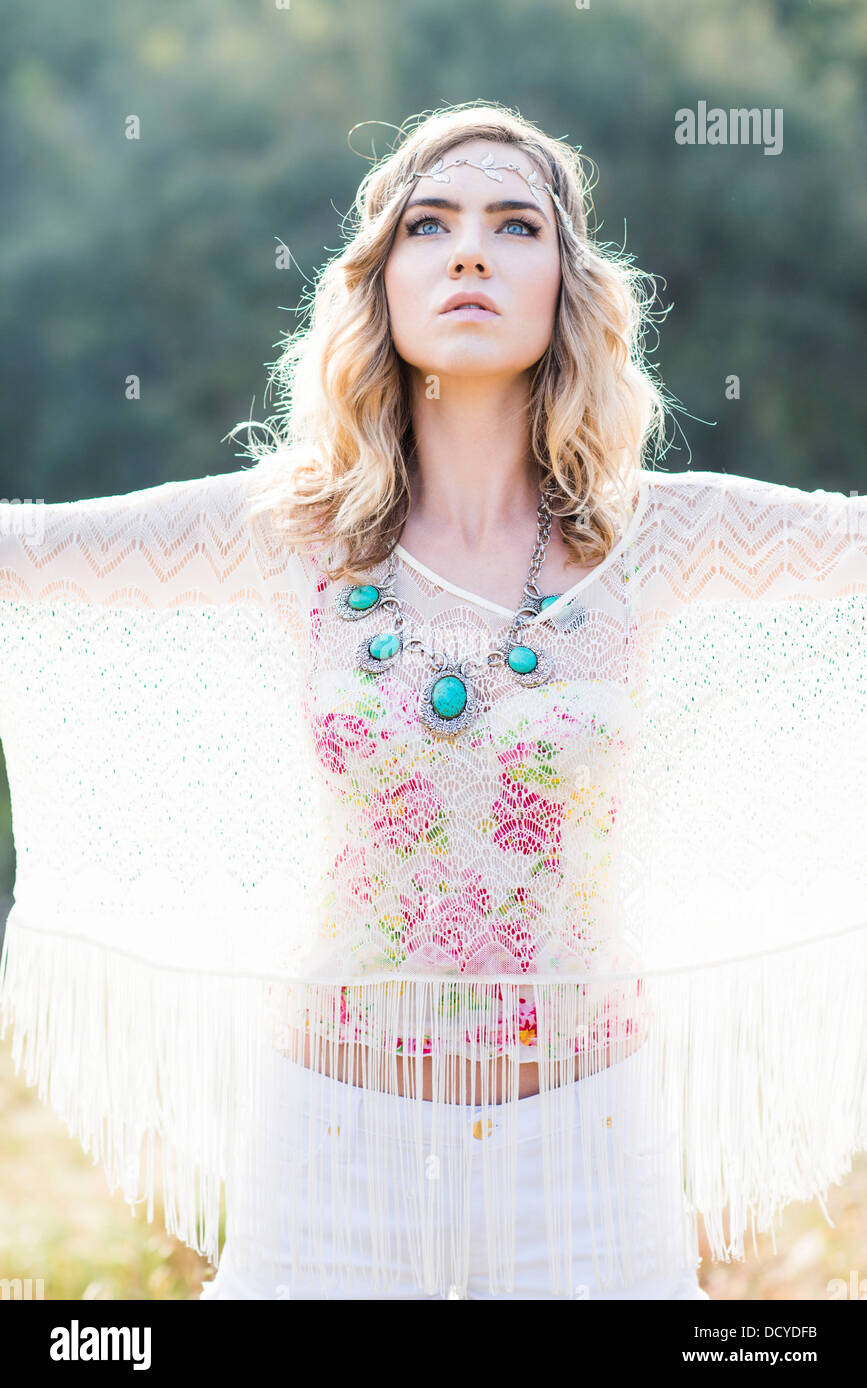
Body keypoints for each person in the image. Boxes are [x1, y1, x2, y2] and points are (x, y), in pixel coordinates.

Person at [1, 101, 865, 1302]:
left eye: (515, 224)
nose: (469, 251)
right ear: (381, 282)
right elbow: (26, 556)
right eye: (430, 224)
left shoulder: (658, 536)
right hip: (332, 1139)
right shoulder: (292, 529)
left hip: (587, 1143)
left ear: (568, 286)